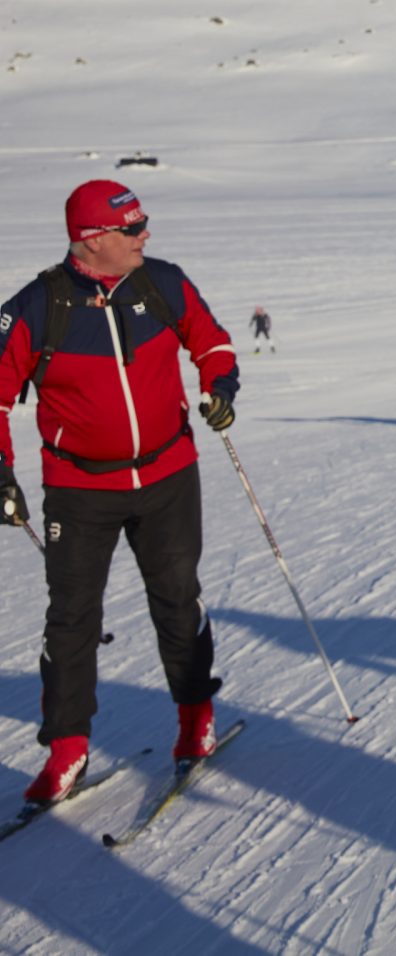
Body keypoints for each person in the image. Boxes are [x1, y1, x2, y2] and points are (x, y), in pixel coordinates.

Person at [2, 181, 239, 804]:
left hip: (167, 475)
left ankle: (194, 720)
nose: (144, 236)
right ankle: (67, 750)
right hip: (79, 489)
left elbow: (210, 339)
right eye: (132, 229)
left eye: (143, 224)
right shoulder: (37, 307)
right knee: (71, 618)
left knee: (177, 598)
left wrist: (220, 385)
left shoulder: (162, 282)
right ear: (92, 240)